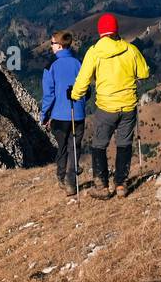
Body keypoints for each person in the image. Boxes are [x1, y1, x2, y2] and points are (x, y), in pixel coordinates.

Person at [70, 14, 149, 199]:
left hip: (106, 108)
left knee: (99, 145)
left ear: (100, 32)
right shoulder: (130, 49)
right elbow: (144, 73)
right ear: (116, 30)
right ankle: (121, 185)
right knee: (124, 144)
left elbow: (83, 80)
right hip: (128, 106)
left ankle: (102, 187)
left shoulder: (94, 52)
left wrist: (74, 95)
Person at [41, 31, 87, 197]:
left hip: (59, 116)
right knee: (74, 147)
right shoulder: (79, 63)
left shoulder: (50, 66)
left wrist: (44, 116)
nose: (51, 46)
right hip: (78, 114)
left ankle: (61, 178)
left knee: (62, 148)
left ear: (59, 46)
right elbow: (87, 88)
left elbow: (48, 95)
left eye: (52, 43)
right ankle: (71, 181)